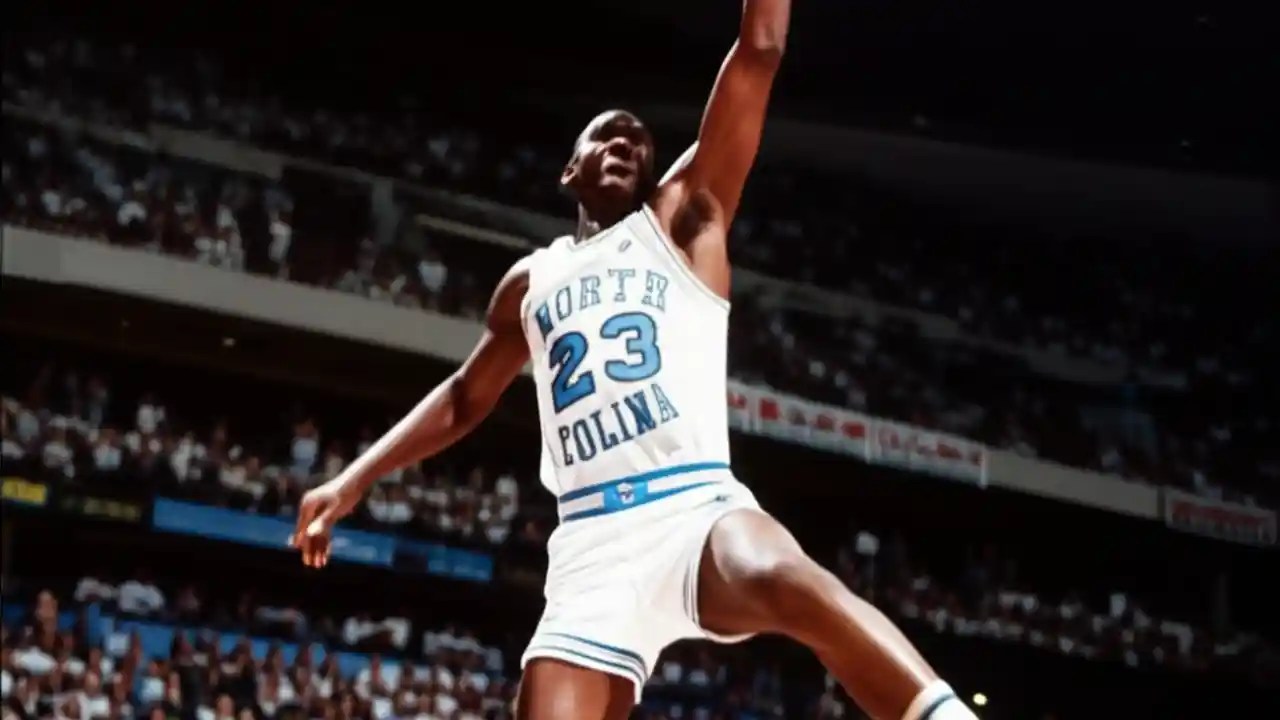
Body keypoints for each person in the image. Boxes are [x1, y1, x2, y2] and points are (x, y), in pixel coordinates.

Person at [290, 1, 978, 718]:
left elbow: (760, 49)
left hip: (694, 503)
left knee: (784, 576)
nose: (627, 145)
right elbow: (466, 397)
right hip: (591, 543)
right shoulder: (530, 282)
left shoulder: (683, 220)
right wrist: (354, 477)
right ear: (570, 169)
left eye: (640, 143)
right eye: (608, 136)